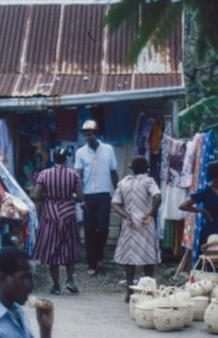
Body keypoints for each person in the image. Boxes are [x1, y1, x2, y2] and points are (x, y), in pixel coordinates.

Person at [31, 147, 84, 295]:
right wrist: (69, 197)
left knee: (52, 248)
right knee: (70, 246)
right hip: (68, 213)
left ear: (53, 159)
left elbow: (36, 196)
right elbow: (80, 198)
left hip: (50, 214)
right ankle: (70, 280)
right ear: (66, 159)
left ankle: (56, 285)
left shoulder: (44, 174)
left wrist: (49, 198)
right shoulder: (73, 175)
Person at [111, 156, 162, 302]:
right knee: (148, 258)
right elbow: (158, 197)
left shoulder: (123, 182)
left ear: (132, 169)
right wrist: (151, 214)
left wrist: (125, 215)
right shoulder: (148, 181)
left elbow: (114, 203)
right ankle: (149, 290)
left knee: (129, 259)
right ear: (146, 169)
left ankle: (129, 292)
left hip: (130, 224)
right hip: (145, 222)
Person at [74, 119, 118, 276]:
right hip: (87, 196)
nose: (88, 138)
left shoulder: (108, 150)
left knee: (103, 228)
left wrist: (118, 191)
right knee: (89, 230)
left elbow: (113, 172)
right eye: (85, 135)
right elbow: (78, 177)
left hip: (104, 194)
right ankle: (91, 264)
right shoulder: (80, 153)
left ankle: (99, 253)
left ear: (97, 134)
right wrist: (80, 198)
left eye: (90, 134)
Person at [178, 160, 218, 250]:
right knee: (213, 255)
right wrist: (202, 211)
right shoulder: (205, 191)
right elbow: (183, 206)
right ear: (215, 177)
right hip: (212, 229)